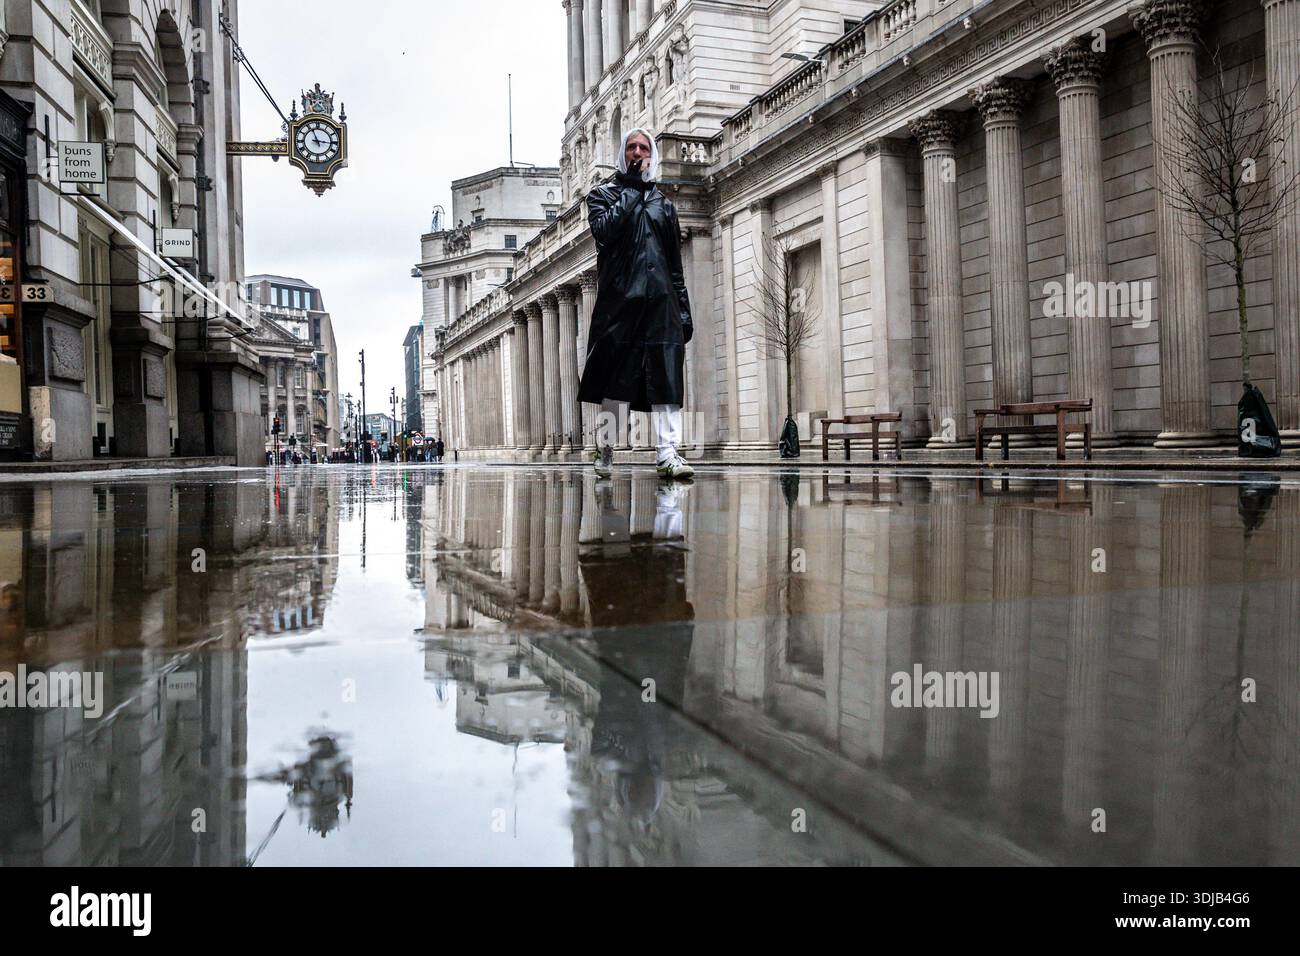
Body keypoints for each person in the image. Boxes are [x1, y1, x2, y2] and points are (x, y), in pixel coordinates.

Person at [580, 127, 694, 480]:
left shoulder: (664, 206)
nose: (638, 152)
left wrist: (684, 309)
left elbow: (674, 263)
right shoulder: (602, 196)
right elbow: (605, 231)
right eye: (632, 147)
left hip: (661, 303)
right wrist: (631, 187)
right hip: (620, 302)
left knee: (666, 377)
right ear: (623, 153)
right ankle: (607, 446)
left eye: (644, 147)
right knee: (616, 377)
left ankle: (667, 453)